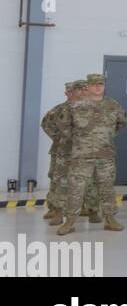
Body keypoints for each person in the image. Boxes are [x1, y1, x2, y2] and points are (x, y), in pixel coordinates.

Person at [56, 74, 127, 236]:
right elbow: (64, 126)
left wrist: (105, 138)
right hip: (81, 155)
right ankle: (70, 221)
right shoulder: (75, 106)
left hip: (105, 154)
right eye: (93, 84)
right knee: (76, 188)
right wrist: (79, 141)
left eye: (100, 84)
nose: (97, 87)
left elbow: (120, 123)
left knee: (107, 188)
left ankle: (110, 219)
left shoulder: (112, 105)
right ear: (87, 86)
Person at [40, 81, 80, 225]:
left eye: (74, 91)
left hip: (81, 152)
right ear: (66, 93)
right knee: (57, 179)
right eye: (69, 91)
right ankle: (55, 209)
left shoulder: (86, 108)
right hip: (61, 151)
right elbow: (46, 124)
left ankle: (86, 209)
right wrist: (58, 138)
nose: (72, 94)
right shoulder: (59, 109)